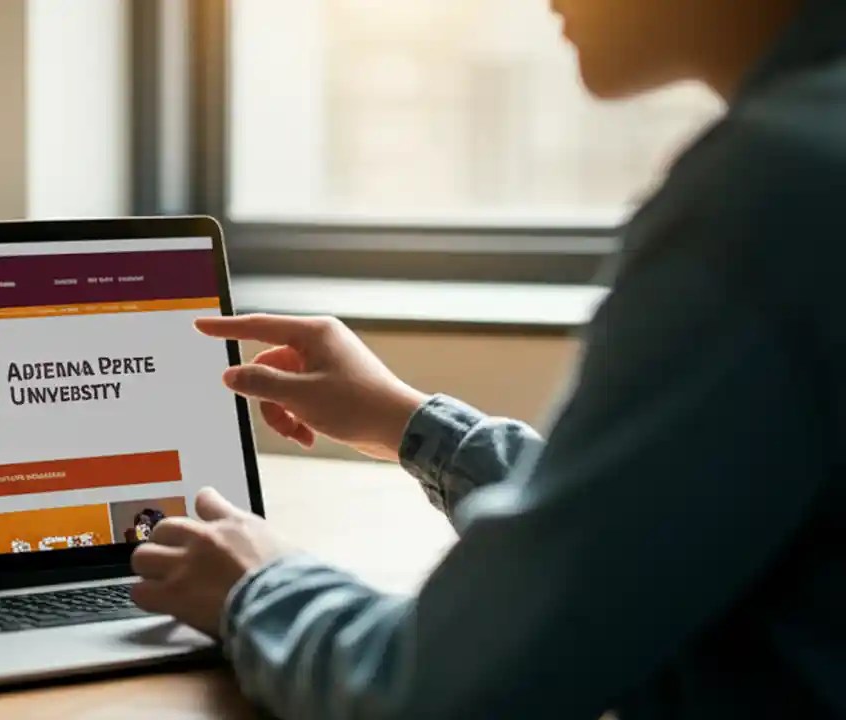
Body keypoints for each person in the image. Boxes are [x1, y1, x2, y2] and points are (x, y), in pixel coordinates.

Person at [129, 0, 846, 717]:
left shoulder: (767, 192)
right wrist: (413, 425)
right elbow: (640, 537)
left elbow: (441, 693)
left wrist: (258, 584)